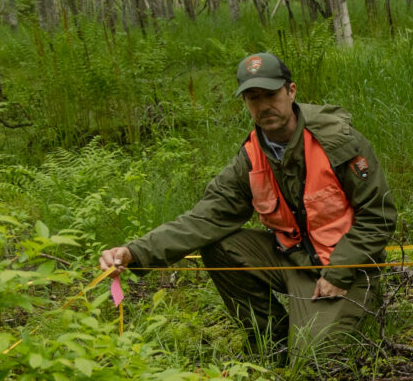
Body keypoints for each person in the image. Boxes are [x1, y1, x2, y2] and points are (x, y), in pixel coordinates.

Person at [98, 53, 397, 361]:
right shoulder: (251, 155)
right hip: (293, 260)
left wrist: (340, 271)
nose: (264, 105)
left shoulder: (337, 141)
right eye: (254, 98)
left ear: (291, 91)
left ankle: (328, 324)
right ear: (245, 103)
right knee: (218, 245)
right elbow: (205, 217)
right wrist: (134, 252)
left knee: (317, 366)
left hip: (345, 267)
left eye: (271, 94)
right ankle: (274, 339)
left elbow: (379, 217)